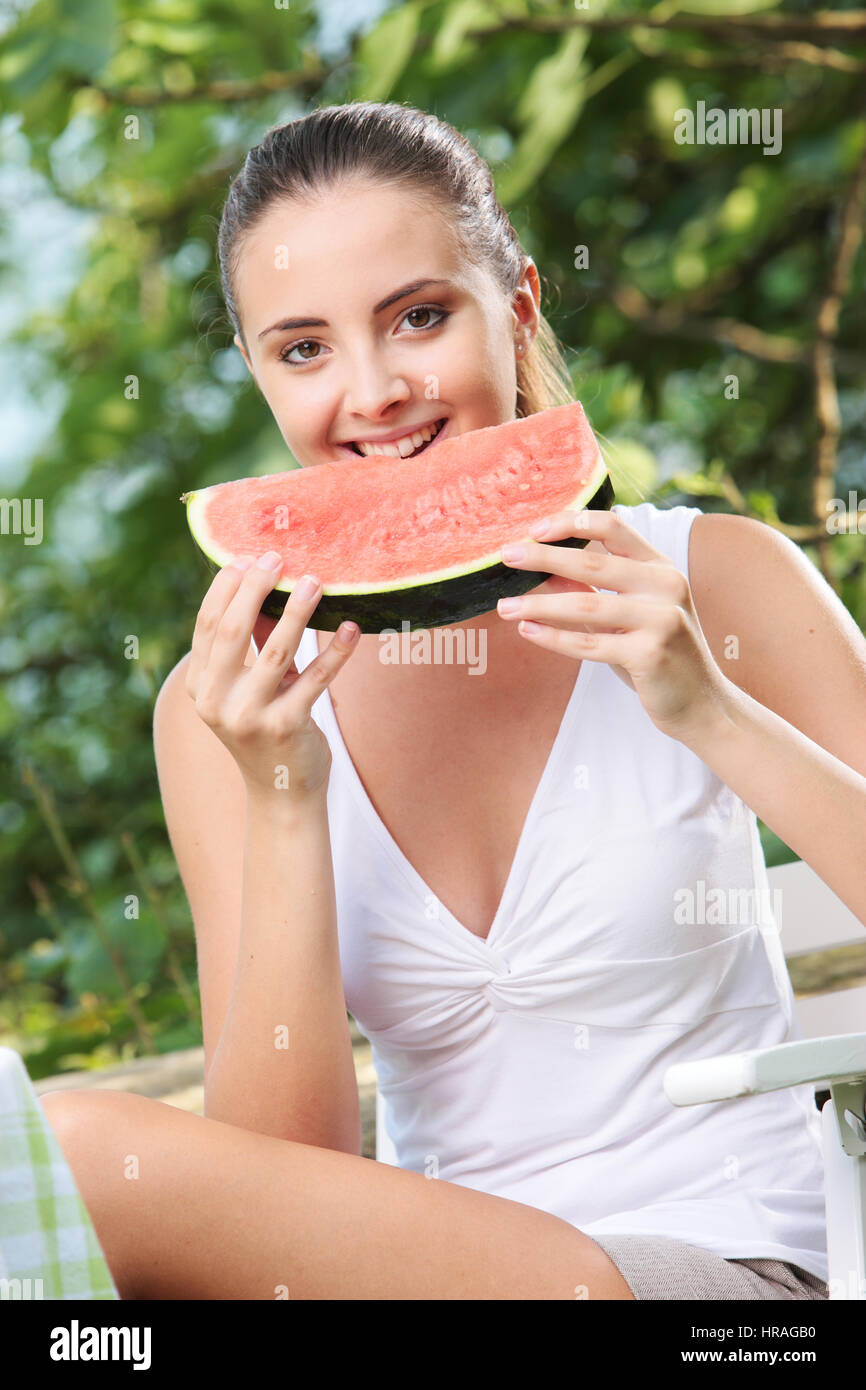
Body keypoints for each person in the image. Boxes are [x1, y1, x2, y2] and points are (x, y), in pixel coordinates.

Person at [42, 100, 851, 1301]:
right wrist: (280, 800)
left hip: (734, 1272)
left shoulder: (712, 577)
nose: (370, 393)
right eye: (303, 348)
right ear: (257, 370)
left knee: (71, 1149)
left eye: (417, 317)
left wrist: (705, 709)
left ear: (516, 305)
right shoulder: (231, 710)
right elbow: (280, 1199)